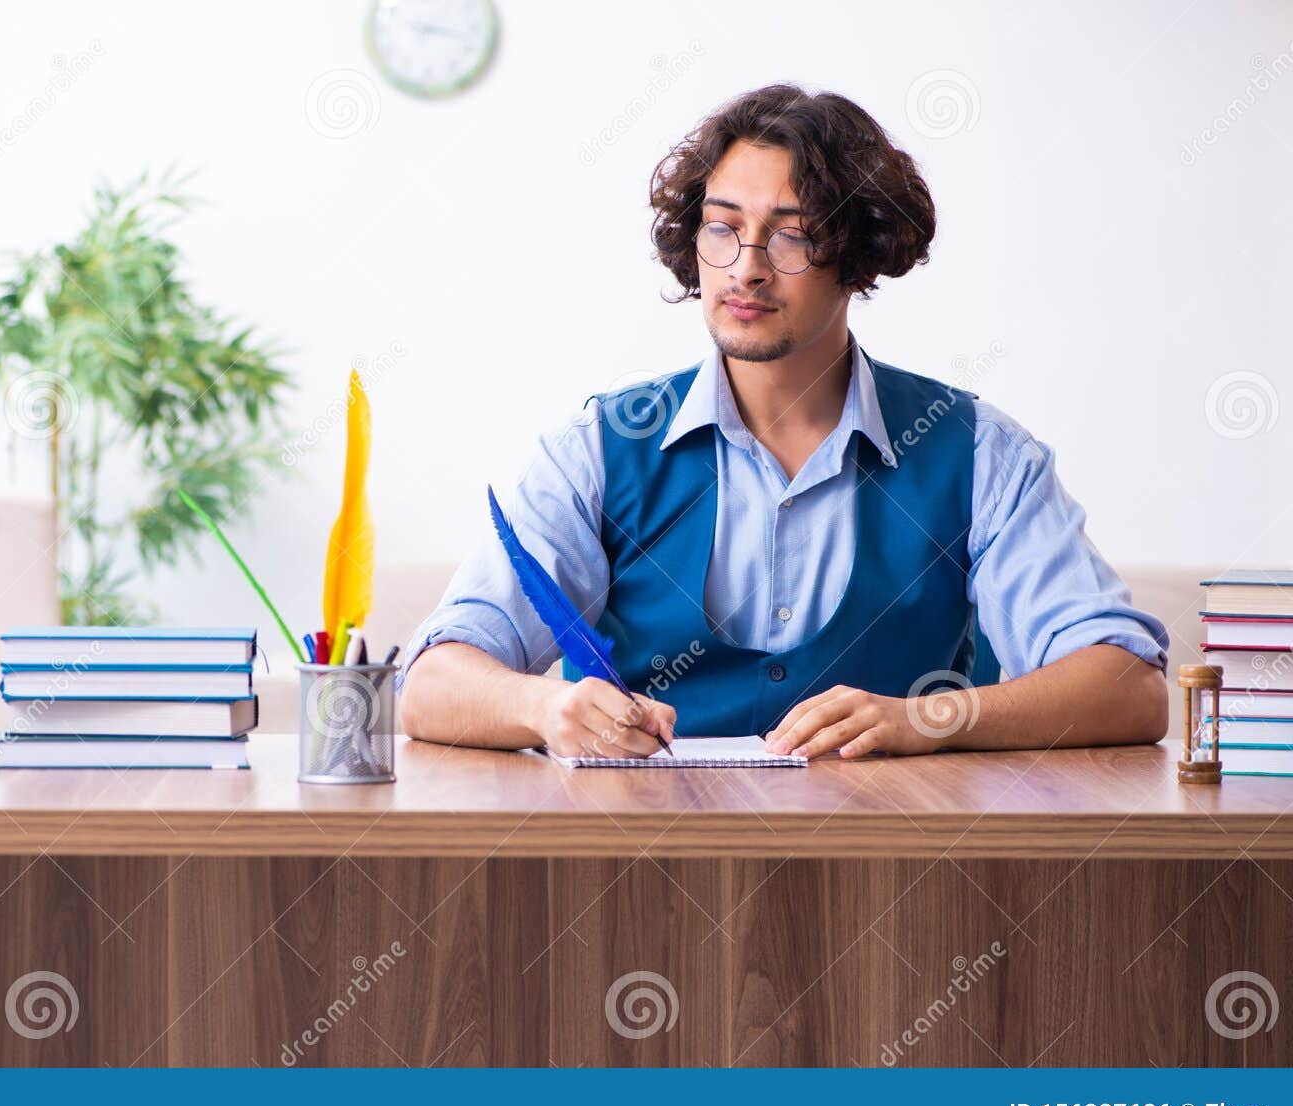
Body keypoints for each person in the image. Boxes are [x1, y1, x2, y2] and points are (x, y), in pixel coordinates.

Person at [398, 84, 1169, 760]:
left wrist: (927, 719)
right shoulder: (598, 453)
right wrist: (543, 708)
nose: (748, 267)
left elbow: (1130, 688)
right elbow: (431, 683)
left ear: (859, 254)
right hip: (636, 862)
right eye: (723, 227)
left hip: (895, 863)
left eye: (794, 235)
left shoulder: (978, 454)